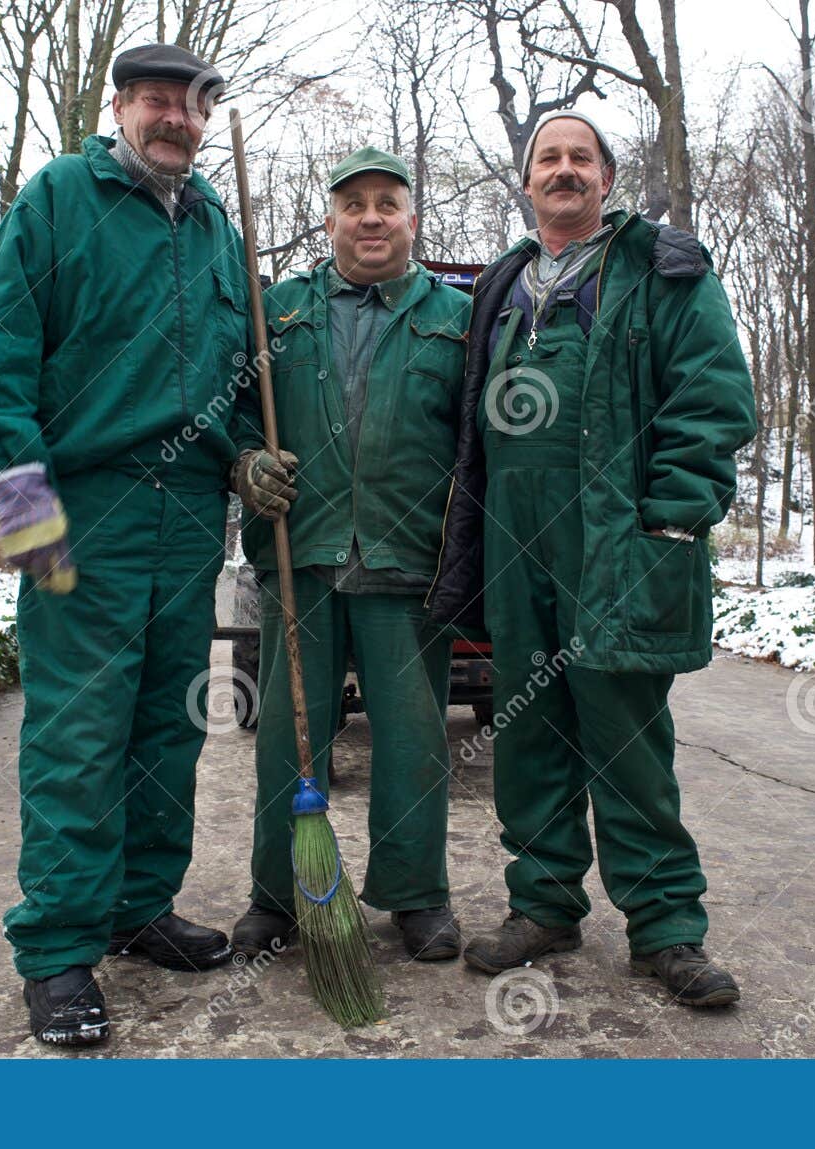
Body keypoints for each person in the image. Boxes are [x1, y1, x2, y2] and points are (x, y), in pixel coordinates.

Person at [0, 43, 253, 1047]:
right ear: (118, 104)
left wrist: (248, 458)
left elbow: (241, 372)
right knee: (78, 736)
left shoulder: (215, 224)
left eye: (192, 105)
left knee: (170, 726)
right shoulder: (55, 201)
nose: (176, 118)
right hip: (86, 510)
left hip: (190, 515)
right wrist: (33, 528)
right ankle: (57, 951)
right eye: (157, 100)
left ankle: (137, 908)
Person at [427, 111, 757, 1008]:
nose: (565, 169)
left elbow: (715, 396)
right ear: (526, 182)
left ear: (607, 179)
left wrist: (673, 520)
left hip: (619, 539)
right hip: (513, 540)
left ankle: (666, 929)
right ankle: (543, 905)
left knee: (627, 736)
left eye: (582, 156)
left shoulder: (661, 270)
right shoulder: (500, 285)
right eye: (549, 158)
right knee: (529, 734)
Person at [229, 147, 471, 962]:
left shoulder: (457, 316)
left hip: (407, 554)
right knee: (287, 739)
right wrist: (245, 462)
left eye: (387, 203)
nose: (371, 217)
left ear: (412, 220)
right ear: (329, 219)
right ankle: (280, 895)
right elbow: (230, 412)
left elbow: (483, 437)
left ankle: (416, 894)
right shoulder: (278, 312)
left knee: (412, 735)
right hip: (301, 553)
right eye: (354, 204)